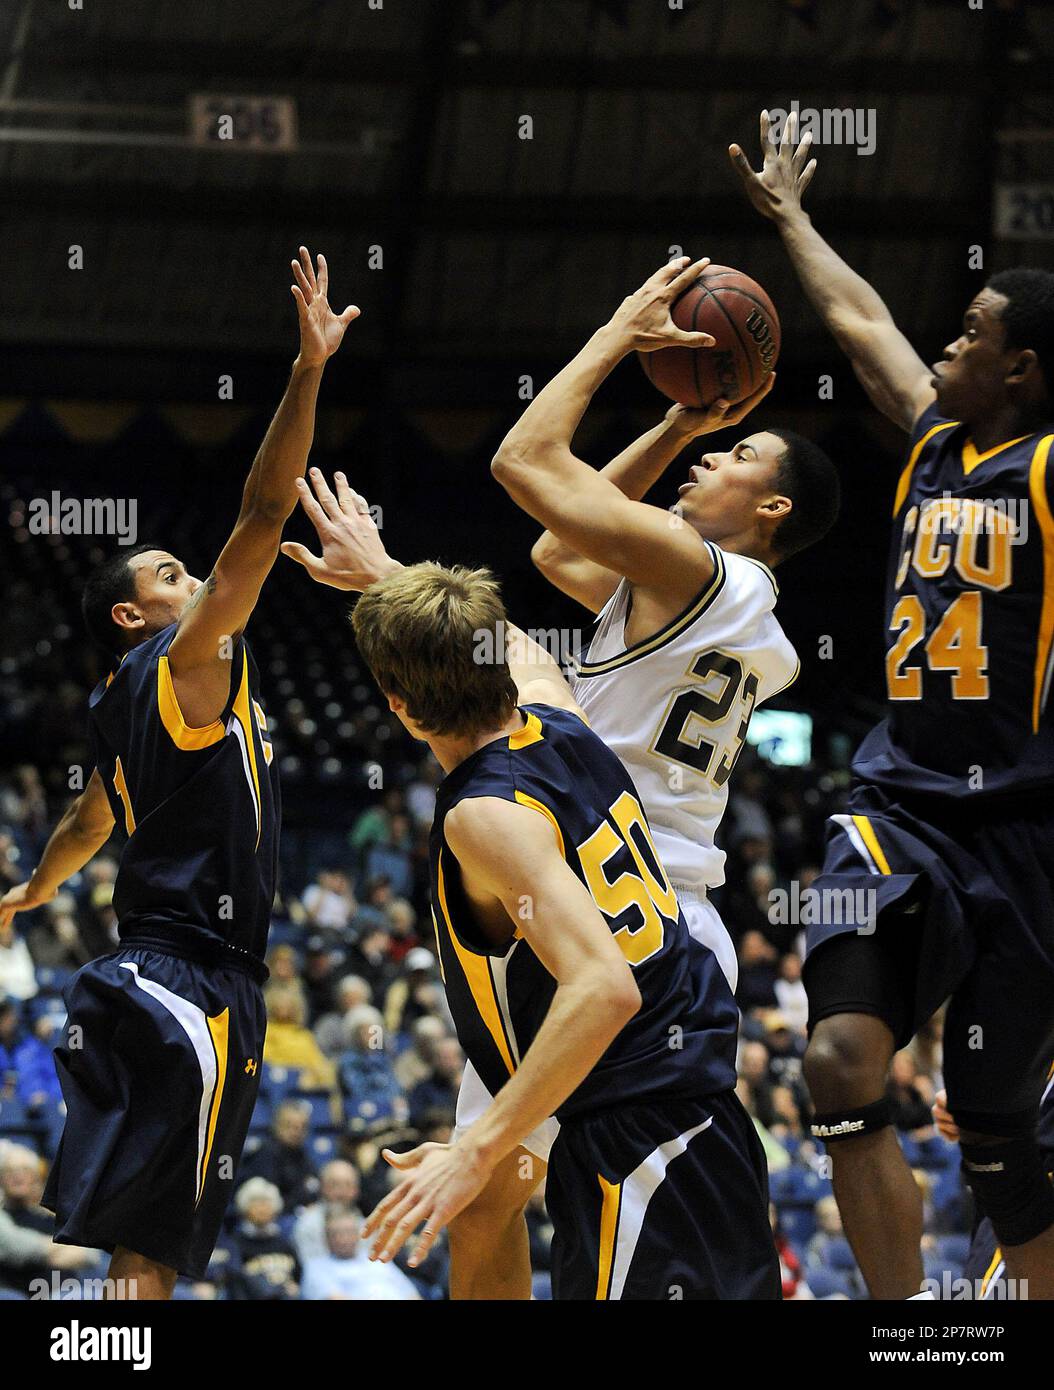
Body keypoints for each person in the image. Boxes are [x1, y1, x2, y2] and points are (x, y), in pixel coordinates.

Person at [283, 487, 780, 1298]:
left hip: (642, 1125)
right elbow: (506, 645)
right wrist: (385, 575)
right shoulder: (560, 716)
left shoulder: (484, 815)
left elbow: (603, 987)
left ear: (399, 708)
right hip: (680, 1097)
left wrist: (476, 1148)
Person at [732, 108, 1054, 1297]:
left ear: (1020, 368)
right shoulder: (929, 441)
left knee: (999, 1131)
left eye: (970, 335)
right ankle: (907, 1316)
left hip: (1027, 823)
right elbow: (859, 318)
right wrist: (792, 221)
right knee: (834, 1056)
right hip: (892, 801)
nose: (945, 347)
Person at [0, 248, 358, 1299]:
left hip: (161, 972)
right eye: (167, 574)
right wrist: (306, 371)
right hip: (190, 976)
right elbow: (261, 511)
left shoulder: (122, 707)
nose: (191, 576)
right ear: (130, 616)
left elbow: (88, 812)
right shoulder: (181, 660)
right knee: (154, 1239)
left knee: (146, 1242)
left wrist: (38, 886)